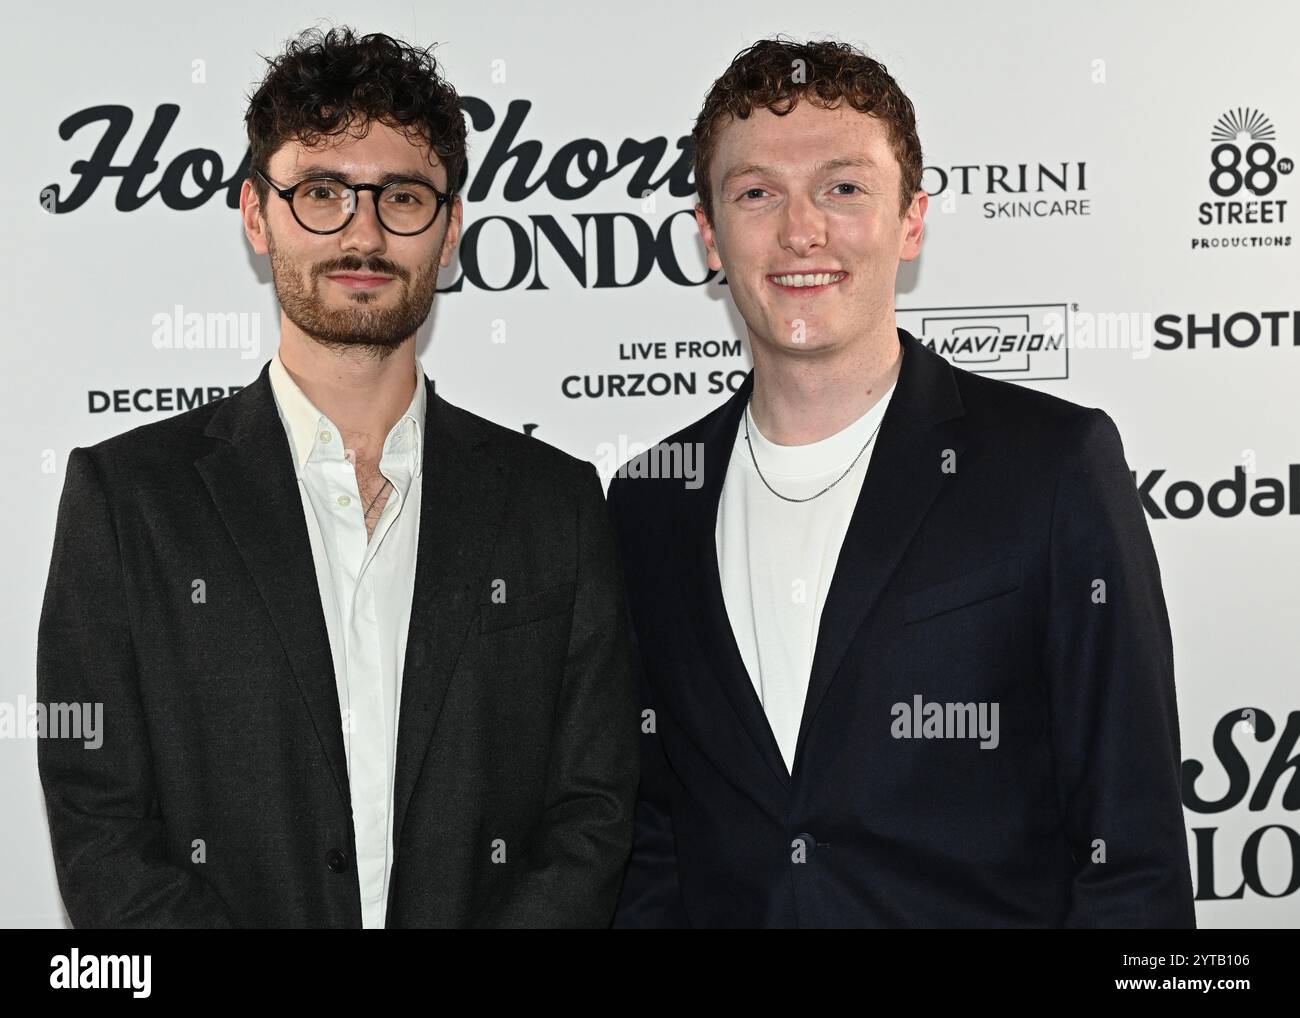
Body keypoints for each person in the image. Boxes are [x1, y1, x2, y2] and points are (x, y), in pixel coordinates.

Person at [37, 27, 636, 928]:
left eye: (401, 197)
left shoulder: (555, 503)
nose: (362, 232)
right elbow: (100, 825)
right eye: (321, 193)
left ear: (451, 228)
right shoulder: (129, 502)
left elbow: (593, 813)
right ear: (255, 213)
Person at [610, 37, 1195, 927]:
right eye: (757, 192)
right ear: (707, 235)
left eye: (843, 189)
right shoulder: (651, 499)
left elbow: (1132, 853)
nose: (801, 230)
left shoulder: (1052, 467)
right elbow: (652, 832)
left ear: (912, 222)